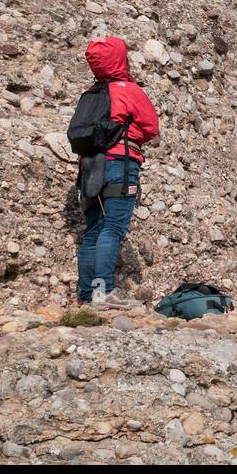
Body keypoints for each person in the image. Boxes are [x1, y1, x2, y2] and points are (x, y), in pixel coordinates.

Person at [78, 37, 159, 309]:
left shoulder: (90, 94)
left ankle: (88, 295)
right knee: (113, 227)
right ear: (120, 59)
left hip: (89, 168)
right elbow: (151, 127)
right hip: (119, 165)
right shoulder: (128, 90)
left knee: (93, 230)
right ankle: (104, 293)